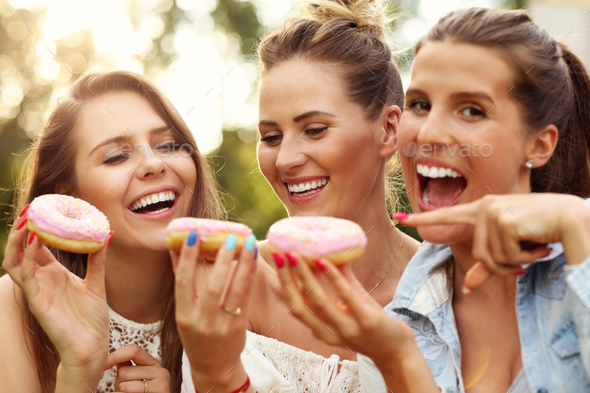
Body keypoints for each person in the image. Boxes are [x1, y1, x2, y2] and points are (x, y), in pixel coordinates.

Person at [273, 7, 590, 393]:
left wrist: (579, 223)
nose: (428, 133)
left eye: (471, 110)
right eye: (420, 105)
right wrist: (399, 360)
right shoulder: (396, 329)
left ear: (539, 145)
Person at [173, 1, 421, 392]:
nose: (285, 159)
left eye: (315, 129)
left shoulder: (450, 287)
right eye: (271, 137)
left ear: (389, 130)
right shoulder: (234, 286)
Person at [0, 69, 223, 393]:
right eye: (117, 156)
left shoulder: (240, 287)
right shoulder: (13, 305)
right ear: (67, 197)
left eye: (169, 145)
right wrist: (77, 375)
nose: (154, 164)